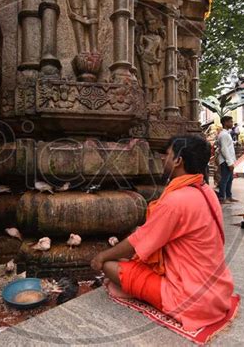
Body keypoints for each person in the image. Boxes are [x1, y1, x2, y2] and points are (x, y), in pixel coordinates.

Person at [90, 135, 235, 332]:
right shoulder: (206, 190)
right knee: (130, 259)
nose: (163, 159)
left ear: (178, 161)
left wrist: (101, 256)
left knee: (109, 266)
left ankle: (154, 294)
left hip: (191, 298)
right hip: (218, 291)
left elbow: (138, 241)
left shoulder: (176, 200)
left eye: (167, 155)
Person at [217, 116, 238, 203]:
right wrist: (229, 162)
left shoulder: (226, 133)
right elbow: (224, 149)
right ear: (225, 123)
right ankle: (222, 197)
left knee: (229, 179)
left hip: (229, 160)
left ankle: (229, 196)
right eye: (230, 121)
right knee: (225, 179)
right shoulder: (224, 134)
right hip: (226, 161)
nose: (232, 123)